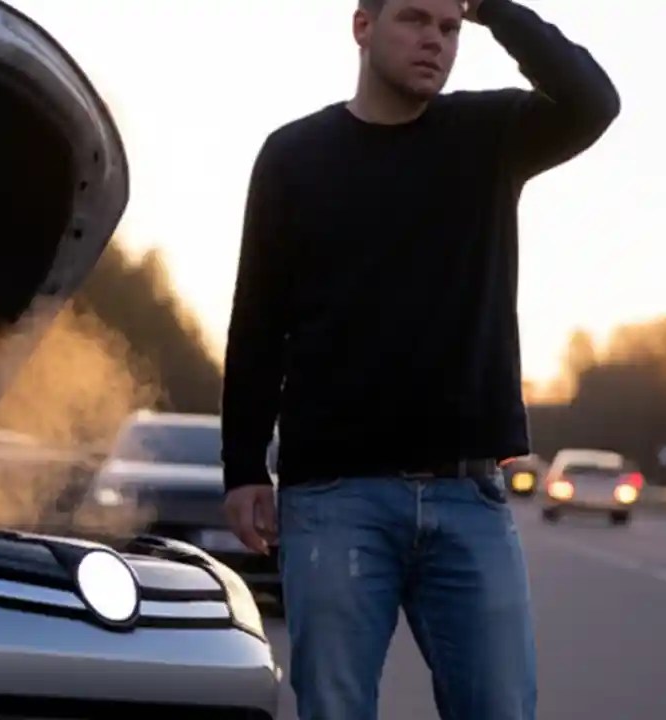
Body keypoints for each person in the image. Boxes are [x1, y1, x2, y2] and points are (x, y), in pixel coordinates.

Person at [219, 0, 619, 718]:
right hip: (334, 498)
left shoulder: (488, 136)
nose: (435, 40)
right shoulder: (294, 156)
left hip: (469, 495)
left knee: (499, 707)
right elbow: (257, 319)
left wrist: (495, 9)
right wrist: (245, 465)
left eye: (449, 27)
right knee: (334, 709)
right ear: (362, 26)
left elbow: (594, 101)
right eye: (414, 19)